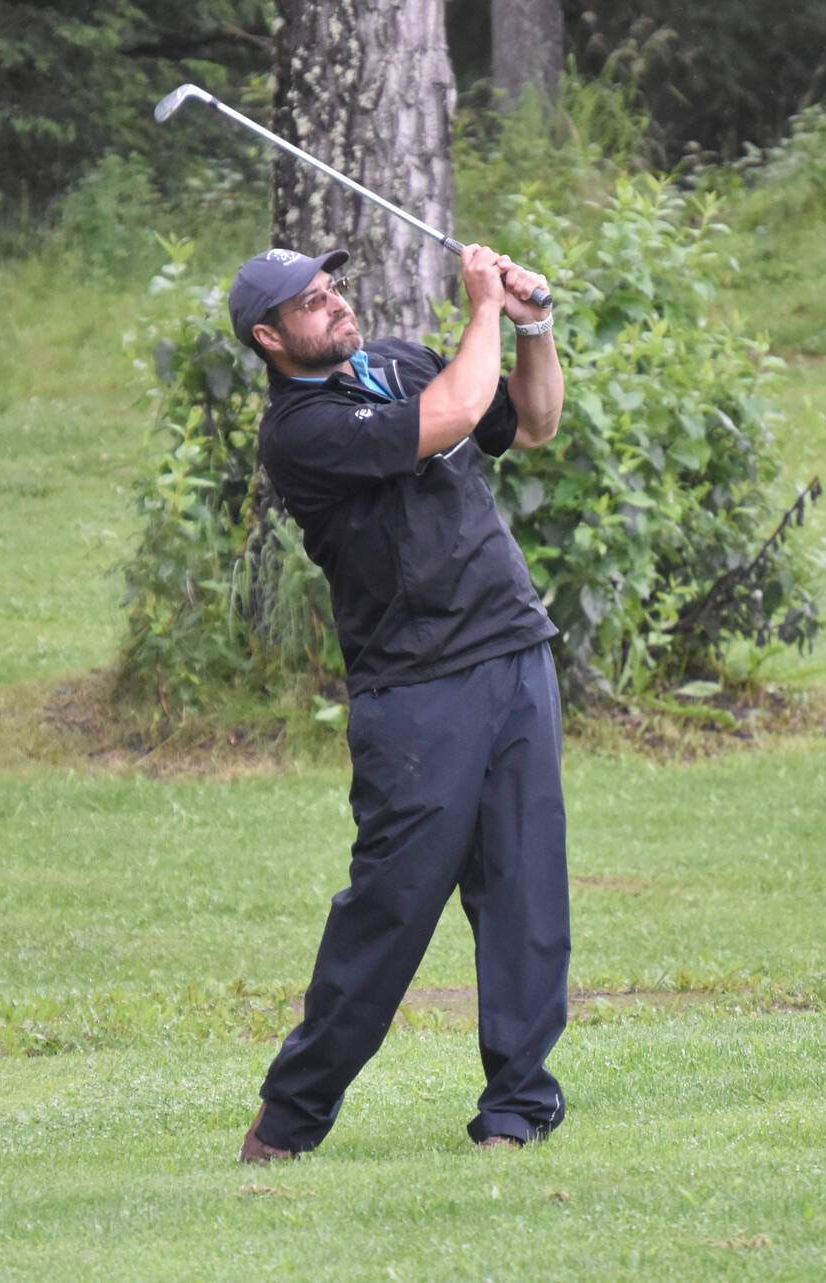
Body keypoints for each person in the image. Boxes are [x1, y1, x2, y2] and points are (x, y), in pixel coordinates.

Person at [227, 242, 569, 1160]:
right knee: (390, 906)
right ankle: (291, 1117)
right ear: (271, 338)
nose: (335, 306)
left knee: (525, 894)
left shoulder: (403, 361)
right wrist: (486, 307)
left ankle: (516, 1110)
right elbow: (456, 408)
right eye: (309, 304)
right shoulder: (300, 431)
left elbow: (527, 422)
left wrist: (531, 323)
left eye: (333, 288)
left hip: (512, 645)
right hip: (416, 689)